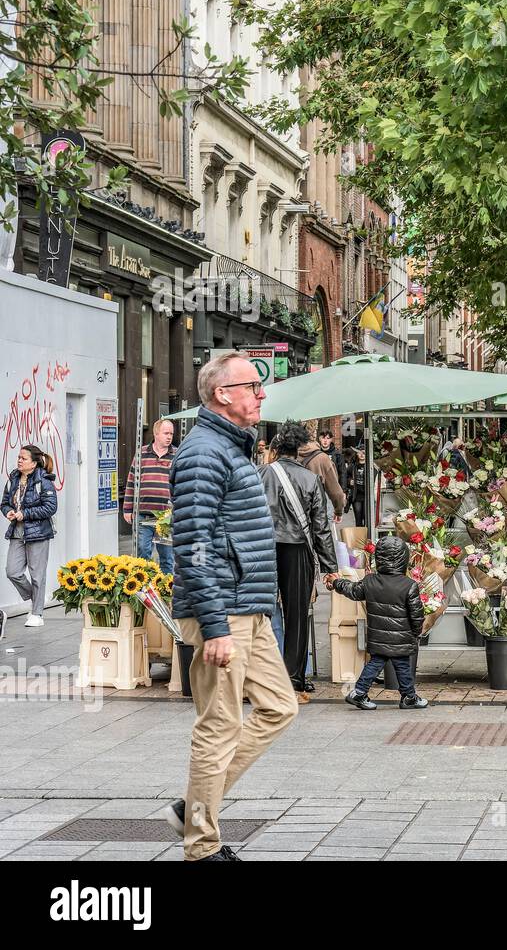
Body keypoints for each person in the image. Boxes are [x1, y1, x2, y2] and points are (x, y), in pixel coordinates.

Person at [165, 351, 296, 861]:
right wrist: (215, 626)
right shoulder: (202, 453)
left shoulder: (232, 449)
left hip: (250, 608)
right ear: (223, 394)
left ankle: (195, 804)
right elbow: (193, 543)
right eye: (252, 386)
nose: (261, 393)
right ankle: (201, 845)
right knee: (219, 726)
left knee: (280, 708)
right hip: (225, 611)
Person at [260, 421, 339, 704]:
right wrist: (330, 568)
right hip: (297, 551)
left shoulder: (262, 474)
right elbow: (321, 528)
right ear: (299, 449)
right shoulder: (310, 479)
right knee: (297, 616)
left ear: (277, 448)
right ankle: (293, 681)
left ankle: (262, 679)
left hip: (264, 549)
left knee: (261, 614)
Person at [326, 536, 429, 710]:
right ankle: (408, 697)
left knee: (375, 663)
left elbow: (352, 591)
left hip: (378, 635)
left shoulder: (370, 581)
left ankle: (360, 692)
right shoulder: (409, 585)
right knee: (402, 665)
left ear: (379, 559)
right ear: (404, 558)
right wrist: (416, 631)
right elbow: (417, 614)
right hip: (401, 636)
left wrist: (336, 582)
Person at [3, 444, 57, 628]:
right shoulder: (13, 478)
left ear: (34, 463)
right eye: (19, 457)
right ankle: (36, 599)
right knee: (12, 571)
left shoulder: (44, 480)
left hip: (38, 532)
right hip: (17, 532)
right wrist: (9, 511)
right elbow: (4, 502)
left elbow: (50, 507)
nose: (19, 461)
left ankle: (37, 614)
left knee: (37, 575)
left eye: (23, 458)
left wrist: (25, 514)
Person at [122, 418, 176, 575]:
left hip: (166, 516)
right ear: (156, 433)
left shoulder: (176, 454)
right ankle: (145, 591)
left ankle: (166, 592)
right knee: (143, 553)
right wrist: (127, 508)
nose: (169, 437)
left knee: (166, 556)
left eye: (171, 434)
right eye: (166, 433)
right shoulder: (142, 453)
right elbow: (132, 480)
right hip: (143, 513)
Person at [299, 429, 347, 519]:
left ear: (331, 440)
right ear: (319, 439)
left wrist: (343, 490)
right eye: (323, 438)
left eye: (328, 438)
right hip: (317, 488)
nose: (325, 440)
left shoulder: (337, 454)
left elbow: (342, 472)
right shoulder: (312, 453)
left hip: (331, 487)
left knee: (327, 516)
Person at [348, 447, 369, 529]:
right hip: (356, 495)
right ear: (356, 454)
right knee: (358, 518)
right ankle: (359, 537)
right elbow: (346, 476)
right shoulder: (353, 466)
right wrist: (349, 481)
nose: (362, 454)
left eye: (364, 453)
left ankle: (367, 537)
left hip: (367, 495)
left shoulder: (370, 466)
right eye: (360, 452)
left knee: (366, 517)